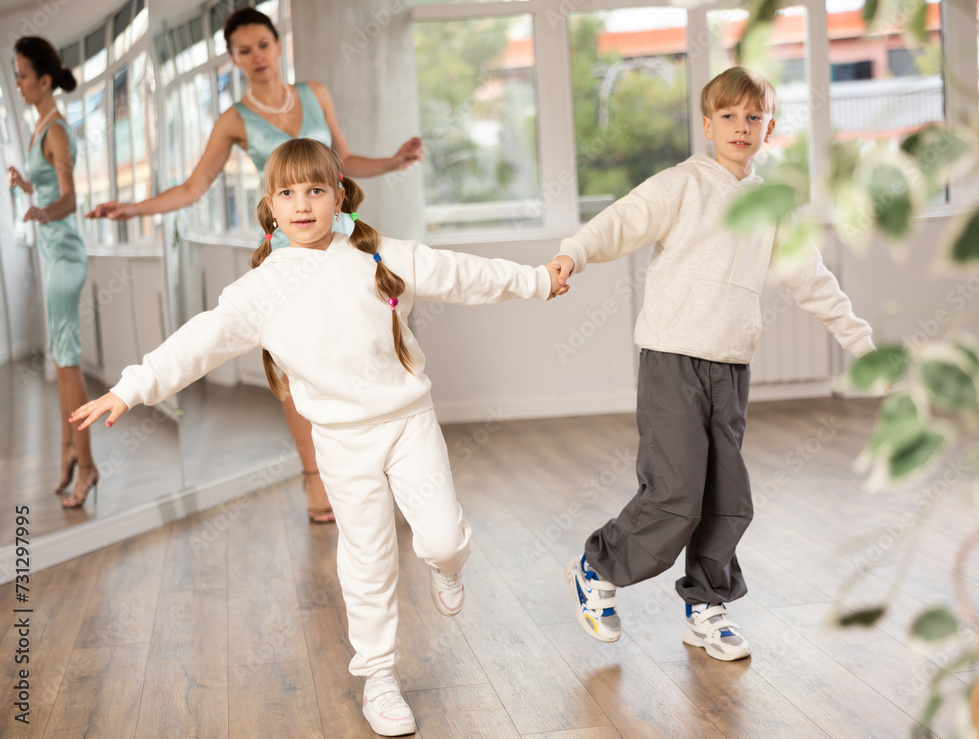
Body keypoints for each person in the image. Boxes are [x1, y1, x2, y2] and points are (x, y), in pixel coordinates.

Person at [70, 138, 567, 736]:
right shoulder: (260, 290)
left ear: (339, 195)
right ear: (269, 205)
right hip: (339, 439)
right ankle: (379, 678)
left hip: (409, 421)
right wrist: (133, 386)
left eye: (315, 189)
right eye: (287, 192)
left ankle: (447, 565)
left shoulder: (376, 254)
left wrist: (537, 280)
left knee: (440, 540)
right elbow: (199, 338)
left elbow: (461, 272)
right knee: (367, 556)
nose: (302, 203)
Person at [549, 66, 876, 660]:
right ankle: (597, 569)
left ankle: (705, 606)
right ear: (707, 124)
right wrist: (574, 252)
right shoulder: (682, 184)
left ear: (769, 128)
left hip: (730, 367)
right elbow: (622, 221)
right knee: (675, 493)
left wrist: (863, 346)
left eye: (754, 117)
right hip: (672, 360)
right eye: (728, 116)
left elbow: (812, 280)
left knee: (729, 497)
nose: (741, 127)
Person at [87, 7, 423, 524]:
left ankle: (381, 467)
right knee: (299, 364)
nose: (256, 57)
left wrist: (394, 162)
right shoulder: (234, 119)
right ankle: (315, 477)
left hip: (341, 241)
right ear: (233, 59)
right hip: (288, 256)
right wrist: (132, 209)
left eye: (263, 45)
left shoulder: (316, 93)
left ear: (277, 43)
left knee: (364, 348)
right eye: (244, 50)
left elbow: (345, 162)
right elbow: (194, 187)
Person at [8, 37, 98, 508]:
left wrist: (43, 211)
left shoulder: (57, 130)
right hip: (54, 257)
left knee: (67, 366)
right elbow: (47, 187)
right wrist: (27, 186)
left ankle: (87, 465)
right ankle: (68, 452)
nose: (17, 81)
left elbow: (71, 199)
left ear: (44, 81)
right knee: (62, 363)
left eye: (22, 74)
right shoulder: (40, 125)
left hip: (65, 259)